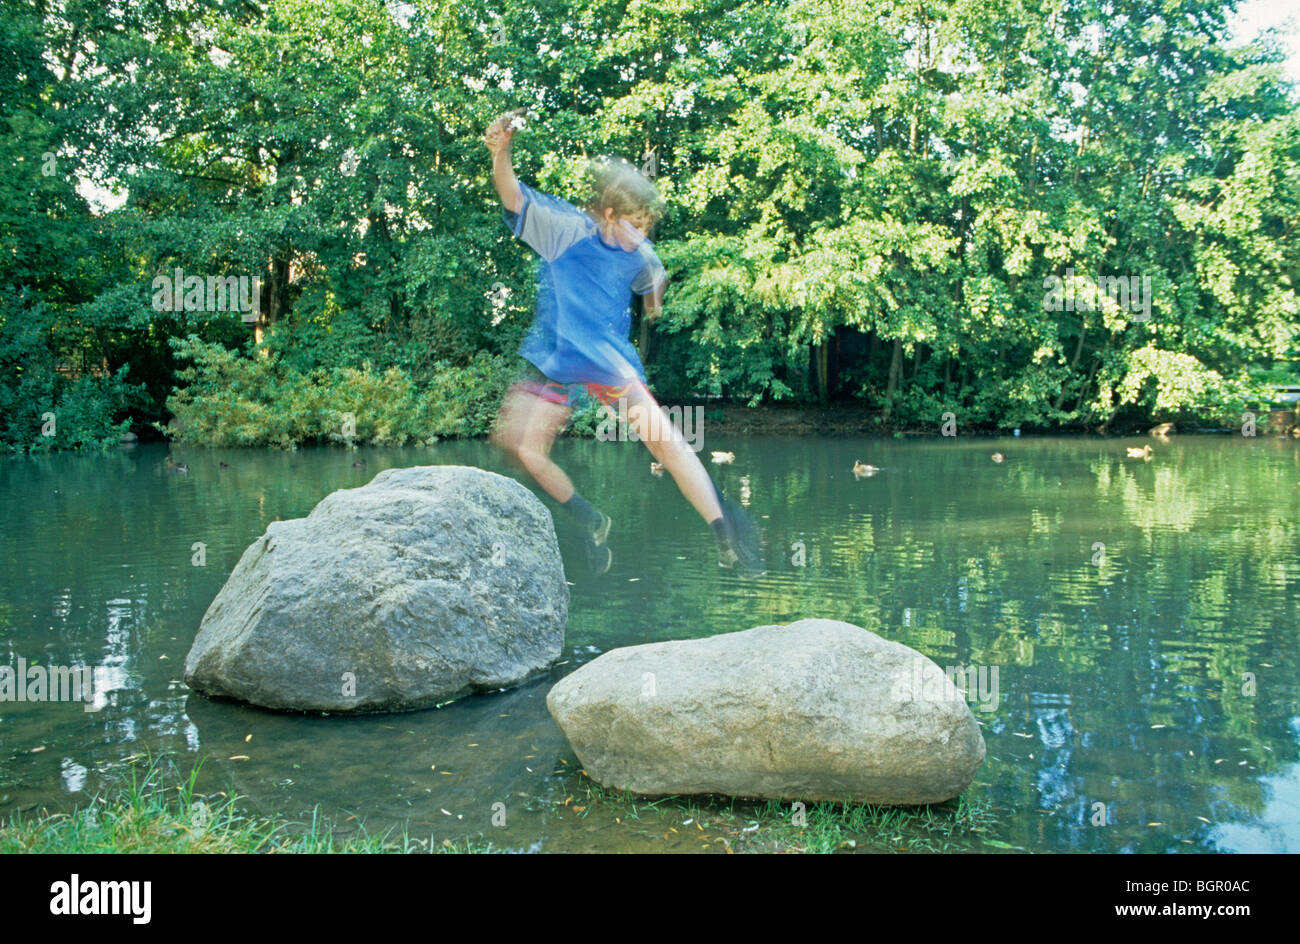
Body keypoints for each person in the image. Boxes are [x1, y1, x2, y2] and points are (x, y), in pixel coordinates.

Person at [484, 110, 760, 574]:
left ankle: (725, 533)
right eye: (634, 225)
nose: (641, 237)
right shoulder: (564, 229)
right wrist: (502, 151)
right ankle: (591, 521)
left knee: (665, 441)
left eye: (648, 228)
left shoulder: (642, 251)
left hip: (602, 360)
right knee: (519, 446)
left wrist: (653, 300)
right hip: (557, 359)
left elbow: (655, 274)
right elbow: (511, 193)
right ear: (608, 215)